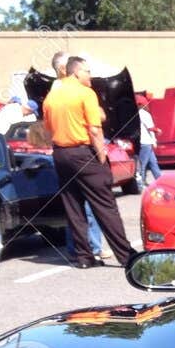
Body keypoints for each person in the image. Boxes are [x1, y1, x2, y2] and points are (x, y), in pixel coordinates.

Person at [42, 54, 134, 269]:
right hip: (84, 152)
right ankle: (125, 255)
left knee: (73, 206)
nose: (90, 76)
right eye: (87, 71)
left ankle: (84, 257)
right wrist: (101, 156)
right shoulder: (85, 93)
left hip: (61, 154)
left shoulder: (51, 97)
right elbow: (94, 129)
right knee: (105, 205)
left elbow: (47, 130)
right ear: (76, 72)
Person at [135, 104, 160, 185]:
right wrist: (158, 131)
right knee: (144, 165)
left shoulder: (136, 114)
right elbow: (150, 128)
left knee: (152, 163)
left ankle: (159, 180)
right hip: (146, 142)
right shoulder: (144, 114)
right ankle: (140, 184)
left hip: (144, 142)